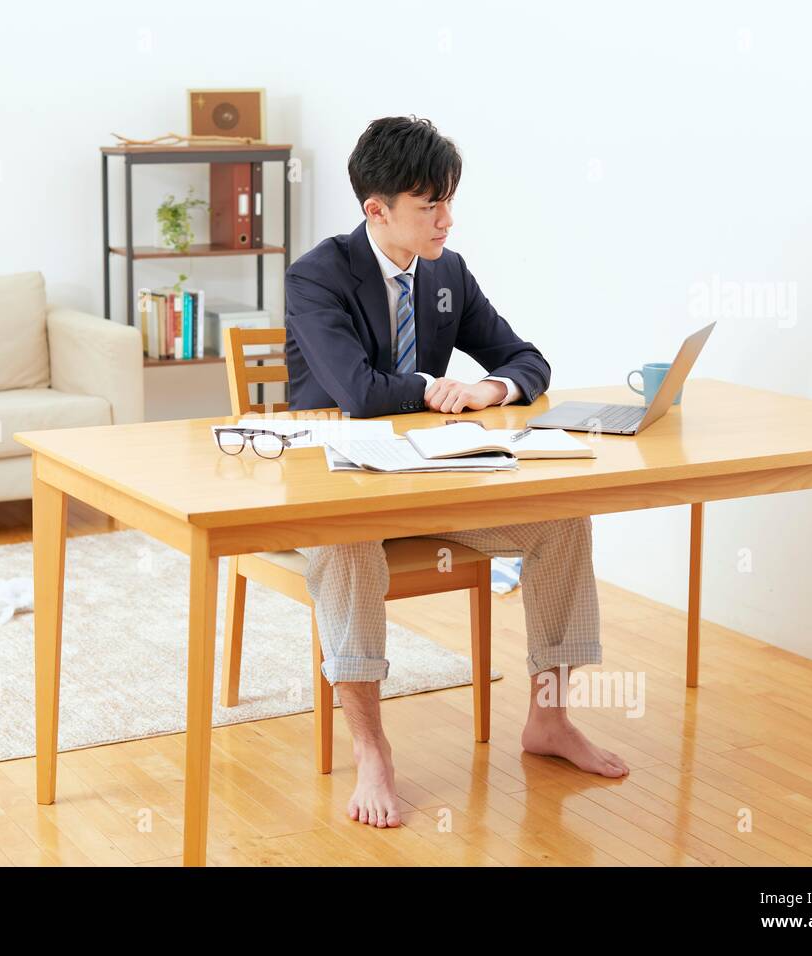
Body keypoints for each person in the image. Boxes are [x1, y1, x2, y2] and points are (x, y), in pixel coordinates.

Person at [284, 115, 630, 830]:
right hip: (330, 489)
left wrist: (488, 390)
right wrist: (435, 387)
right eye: (429, 204)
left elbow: (527, 360)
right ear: (376, 210)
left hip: (427, 483)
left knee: (562, 518)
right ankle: (372, 749)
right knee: (351, 546)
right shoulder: (316, 276)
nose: (447, 218)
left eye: (448, 199)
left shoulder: (448, 272)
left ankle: (549, 721)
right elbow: (357, 391)